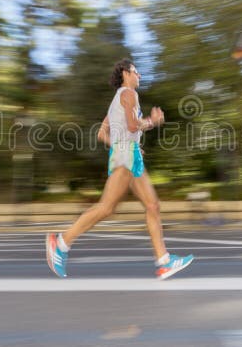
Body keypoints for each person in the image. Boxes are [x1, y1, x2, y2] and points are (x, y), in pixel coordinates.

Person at [45, 59, 194, 280]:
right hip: (126, 156)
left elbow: (102, 134)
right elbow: (133, 126)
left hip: (128, 154)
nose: (139, 76)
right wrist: (152, 121)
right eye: (136, 72)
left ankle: (164, 262)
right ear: (125, 73)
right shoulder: (129, 94)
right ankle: (61, 243)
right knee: (106, 208)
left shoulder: (118, 100)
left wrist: (127, 145)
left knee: (152, 205)